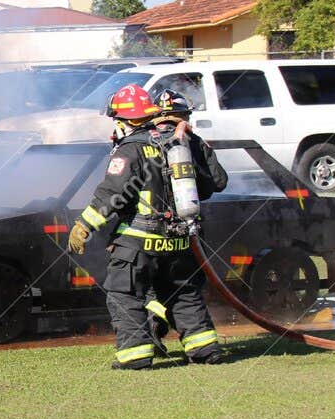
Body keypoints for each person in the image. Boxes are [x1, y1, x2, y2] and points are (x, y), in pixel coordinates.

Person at [67, 84, 229, 370]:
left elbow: (112, 194)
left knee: (124, 294)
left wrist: (83, 225)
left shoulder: (131, 149)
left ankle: (136, 355)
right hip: (181, 241)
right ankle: (205, 348)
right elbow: (217, 183)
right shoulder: (186, 142)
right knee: (183, 293)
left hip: (139, 240)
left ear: (123, 121)